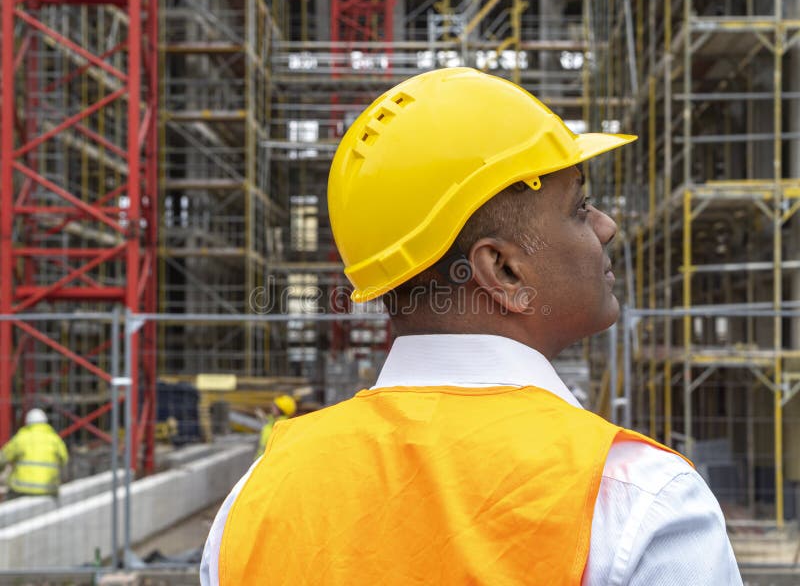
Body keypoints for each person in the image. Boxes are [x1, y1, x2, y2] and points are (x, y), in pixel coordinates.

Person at [201, 68, 742, 585]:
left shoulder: (254, 500)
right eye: (580, 207)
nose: (607, 226)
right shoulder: (637, 500)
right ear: (503, 269)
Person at [0, 408, 69, 500]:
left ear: (27, 423)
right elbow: (64, 460)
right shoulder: (54, 439)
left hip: (22, 489)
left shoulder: (21, 438)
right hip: (48, 489)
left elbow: (2, 458)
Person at [255, 394, 296, 459]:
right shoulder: (272, 423)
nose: (272, 407)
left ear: (280, 410)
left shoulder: (283, 428)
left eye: (275, 406)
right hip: (261, 464)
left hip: (269, 464)